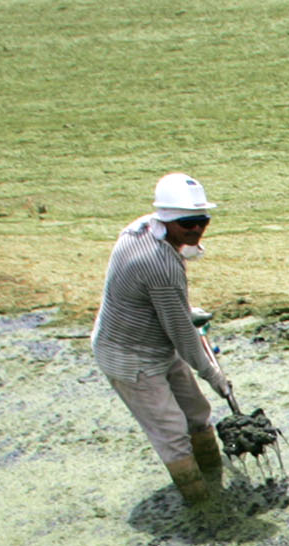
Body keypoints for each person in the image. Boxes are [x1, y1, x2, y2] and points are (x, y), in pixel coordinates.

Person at [91, 173, 235, 505]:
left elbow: (162, 305)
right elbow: (184, 337)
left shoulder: (143, 227)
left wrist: (183, 309)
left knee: (197, 413)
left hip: (156, 340)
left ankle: (215, 477)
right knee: (173, 433)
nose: (197, 229)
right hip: (129, 357)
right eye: (188, 224)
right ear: (167, 218)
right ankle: (203, 505)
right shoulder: (158, 263)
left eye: (202, 220)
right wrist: (214, 375)